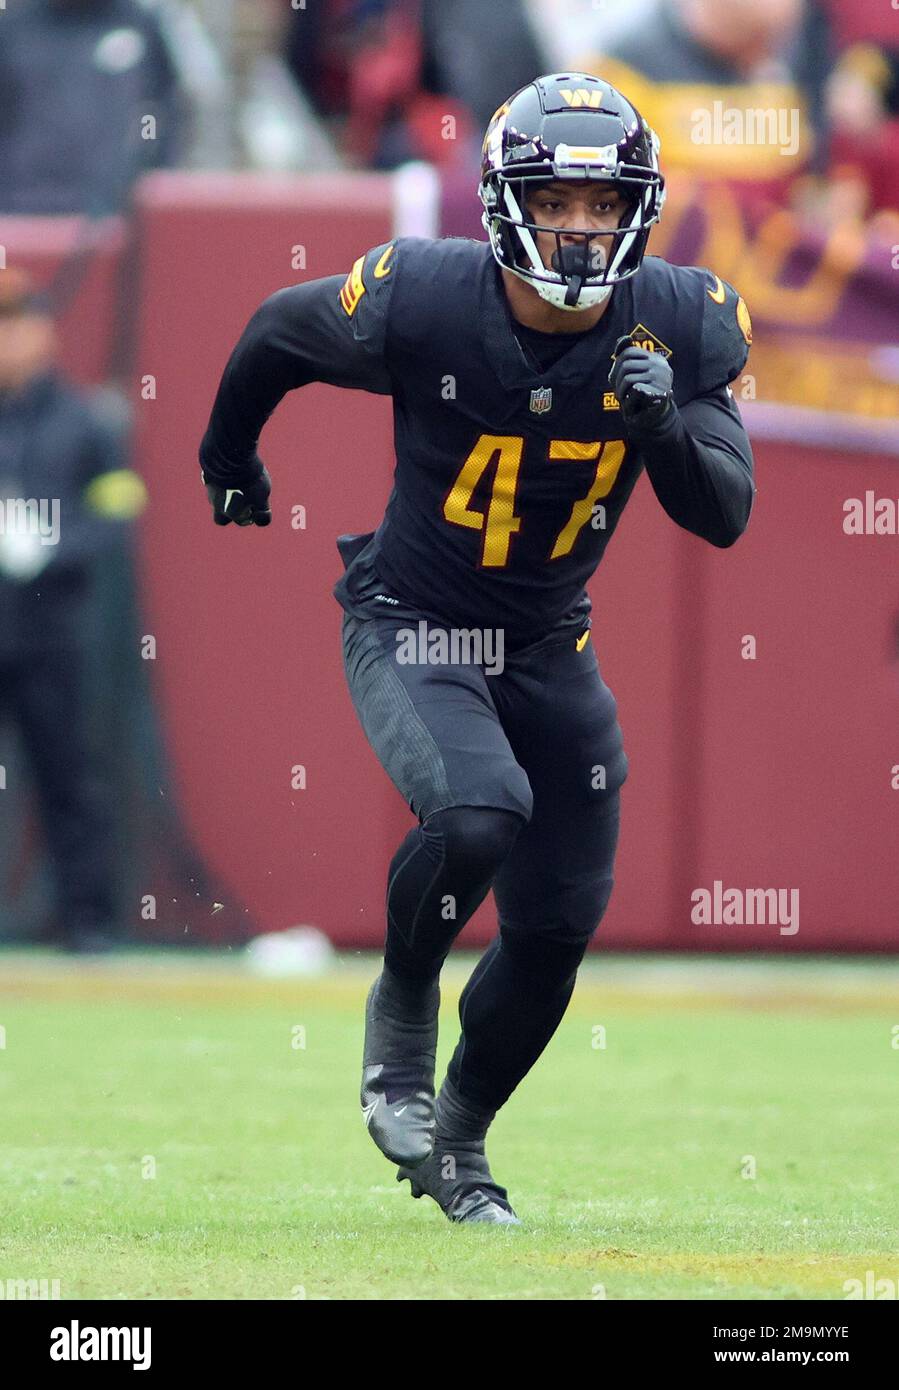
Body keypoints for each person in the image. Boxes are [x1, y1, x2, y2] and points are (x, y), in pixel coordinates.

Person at [198, 72, 755, 1224]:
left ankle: (458, 1146)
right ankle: (399, 1019)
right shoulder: (424, 294)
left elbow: (723, 513)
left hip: (550, 642)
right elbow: (271, 333)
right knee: (476, 812)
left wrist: (659, 429)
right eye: (559, 198)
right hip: (413, 617)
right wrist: (229, 459)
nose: (582, 226)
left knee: (556, 926)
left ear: (638, 212)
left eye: (606, 206)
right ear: (506, 199)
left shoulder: (683, 318)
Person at [0, 270, 145, 951]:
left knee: (69, 776)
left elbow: (118, 508)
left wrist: (51, 549)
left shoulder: (84, 419)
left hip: (50, 631)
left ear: (43, 329)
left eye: (16, 321)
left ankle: (87, 922)